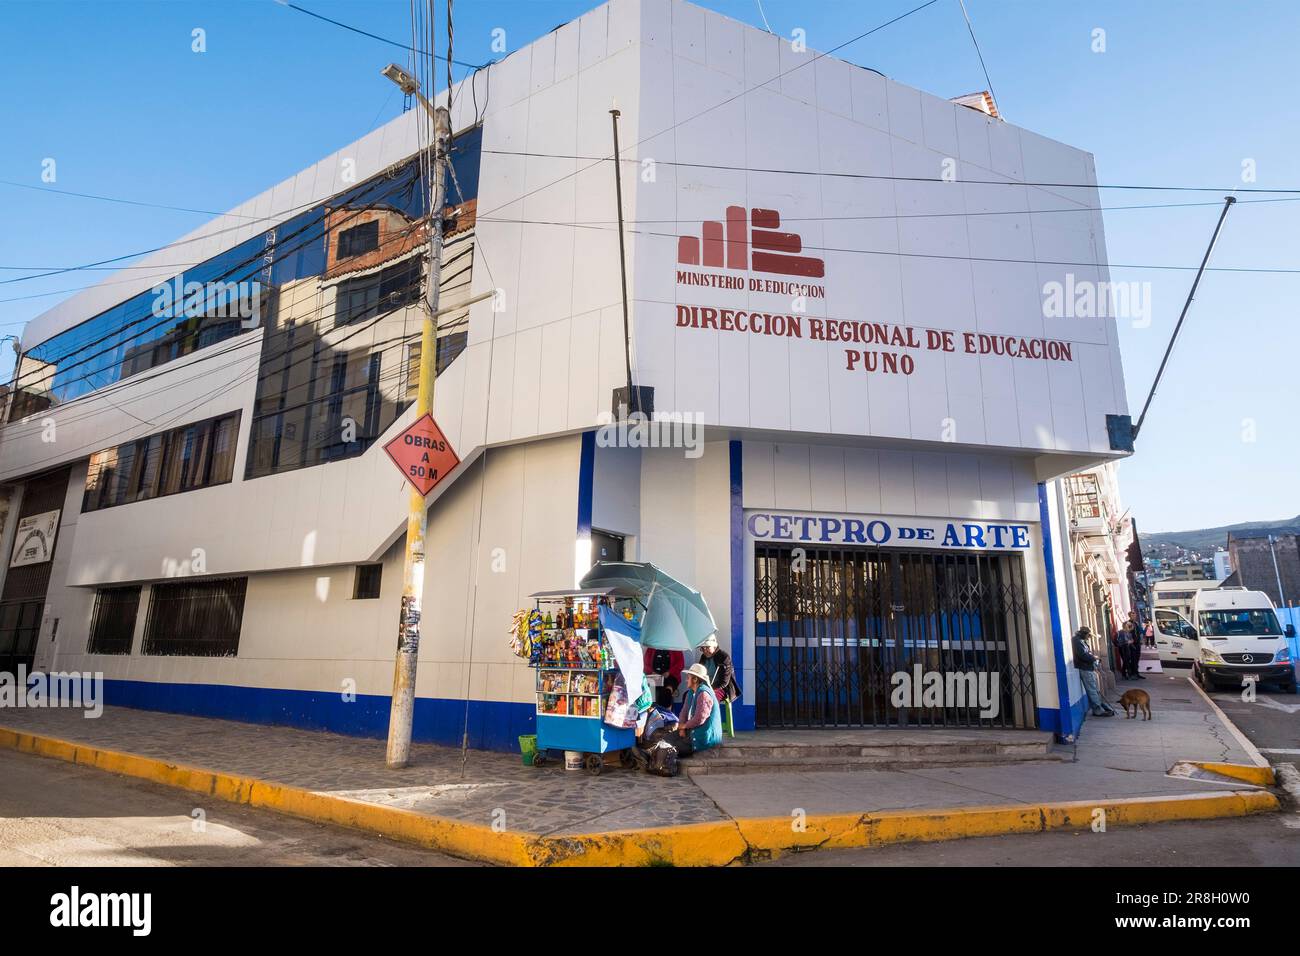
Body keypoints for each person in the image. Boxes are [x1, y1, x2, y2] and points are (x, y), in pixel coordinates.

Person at [674, 663, 723, 755]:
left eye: (688, 677)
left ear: (695, 679)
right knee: (666, 740)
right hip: (691, 730)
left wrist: (684, 726)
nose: (686, 680)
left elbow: (699, 718)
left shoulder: (704, 694)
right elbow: (684, 711)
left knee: (672, 747)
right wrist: (681, 728)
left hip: (703, 737)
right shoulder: (691, 692)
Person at [1074, 626, 1116, 717]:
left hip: (1089, 668)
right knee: (1092, 690)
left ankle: (1100, 706)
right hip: (1085, 668)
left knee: (1095, 690)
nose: (1089, 638)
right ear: (1084, 634)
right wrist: (1094, 658)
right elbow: (1083, 655)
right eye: (1089, 636)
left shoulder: (1081, 641)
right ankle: (1098, 710)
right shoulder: (1077, 642)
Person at [697, 634, 740, 703]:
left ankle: (706, 714)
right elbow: (698, 673)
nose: (705, 651)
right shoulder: (703, 657)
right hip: (705, 687)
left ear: (714, 646)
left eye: (707, 647)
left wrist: (709, 689)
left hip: (721, 689)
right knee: (688, 695)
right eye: (702, 648)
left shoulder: (723, 657)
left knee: (706, 699)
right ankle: (691, 714)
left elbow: (724, 682)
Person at [1122, 615, 1145, 679]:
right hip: (1131, 645)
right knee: (1131, 659)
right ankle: (1131, 673)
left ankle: (1136, 673)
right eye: (1132, 615)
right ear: (1129, 616)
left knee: (1136, 659)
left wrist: (1140, 640)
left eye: (1134, 615)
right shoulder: (1128, 623)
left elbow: (1138, 632)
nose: (1134, 616)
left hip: (1136, 643)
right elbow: (1128, 633)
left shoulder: (1136, 623)